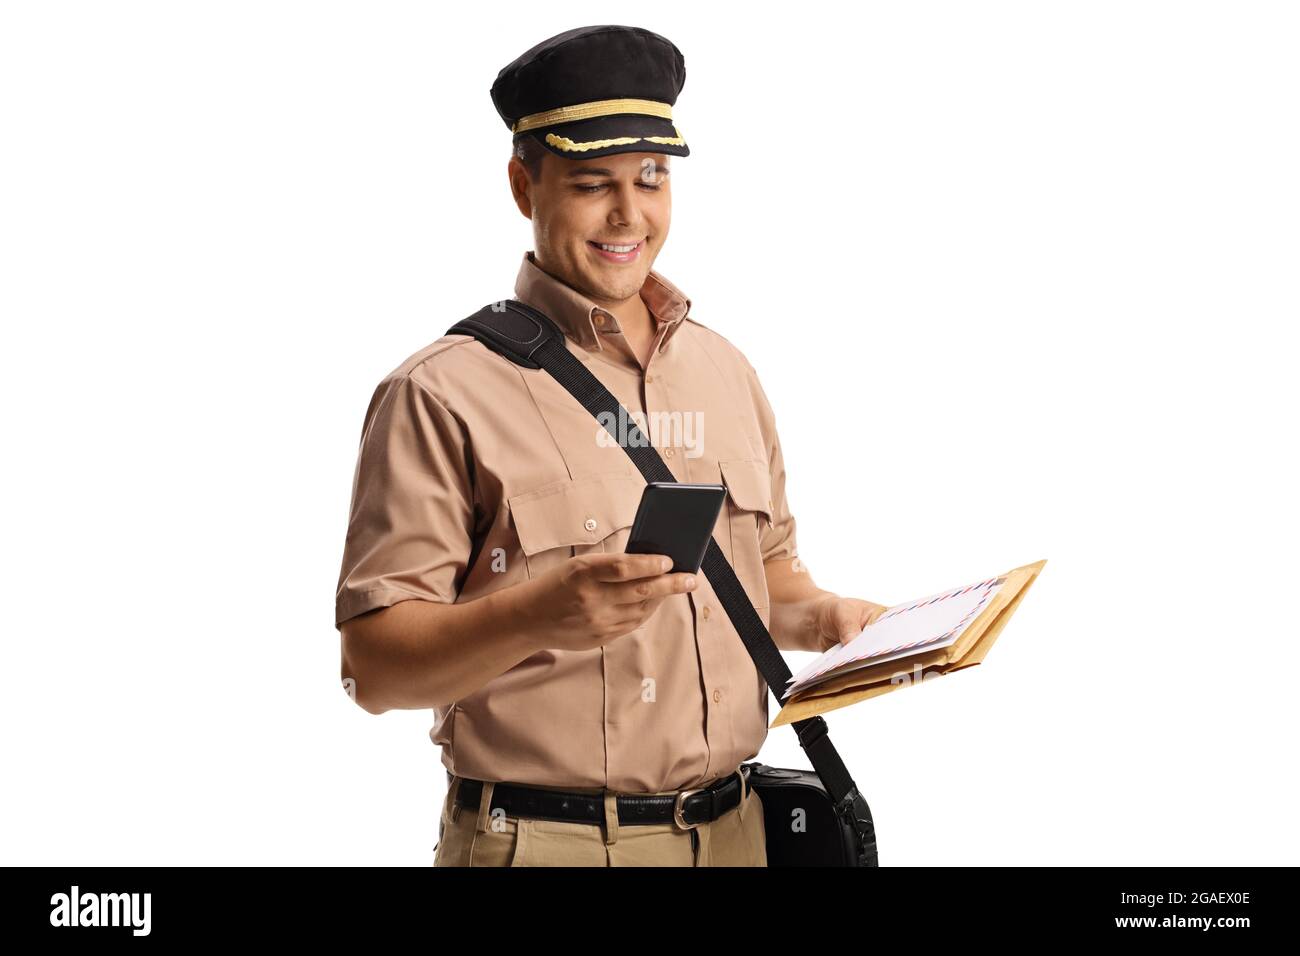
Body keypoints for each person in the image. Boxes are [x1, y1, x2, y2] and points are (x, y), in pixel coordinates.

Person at [333, 24, 888, 867]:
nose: (630, 215)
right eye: (593, 184)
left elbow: (763, 581)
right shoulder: (439, 392)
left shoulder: (724, 371)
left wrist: (832, 621)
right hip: (545, 845)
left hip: (737, 835)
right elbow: (374, 669)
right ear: (524, 185)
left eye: (651, 179)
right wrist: (538, 613)